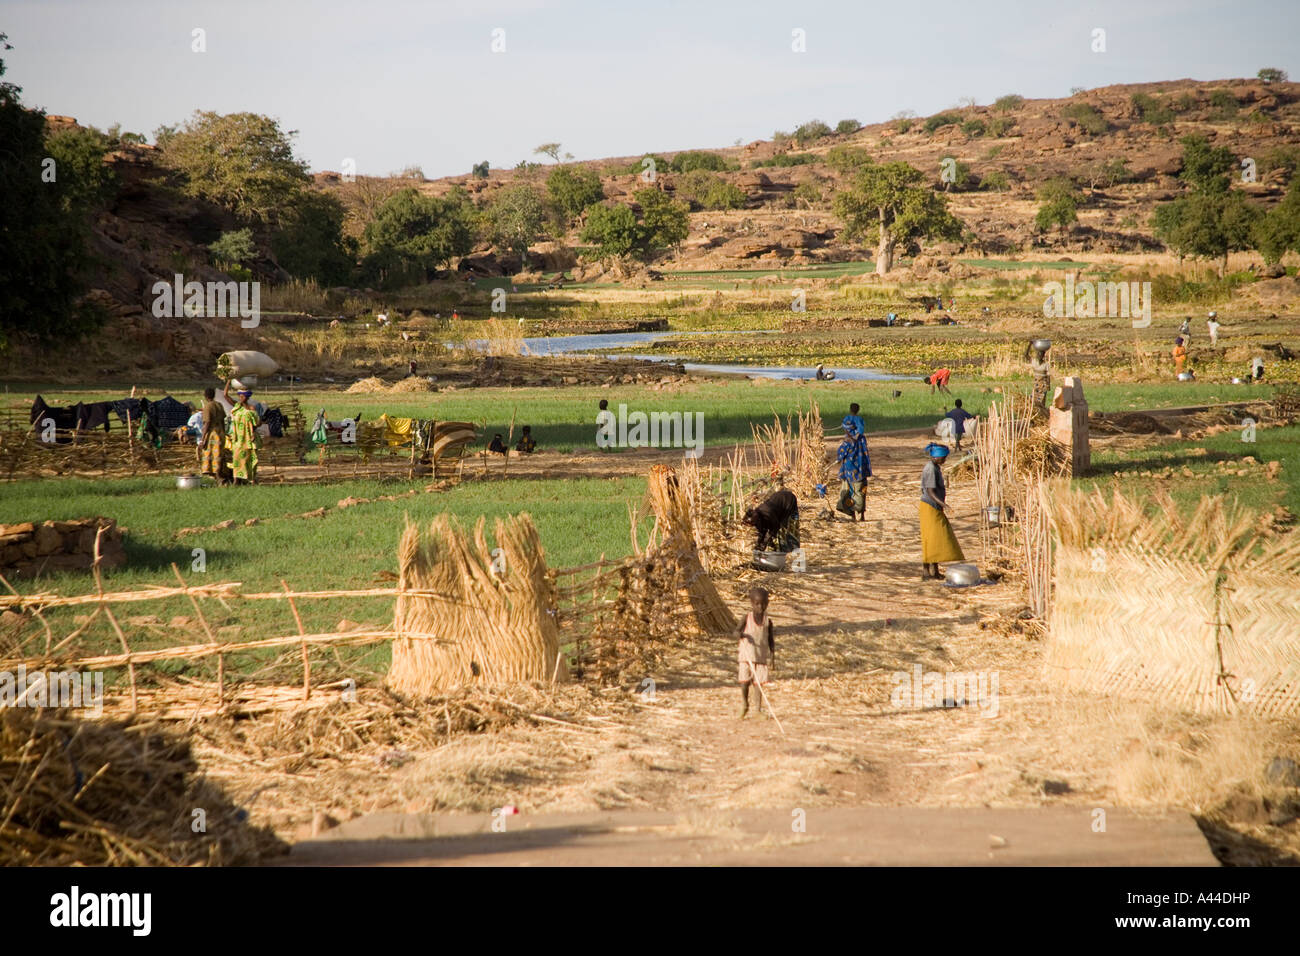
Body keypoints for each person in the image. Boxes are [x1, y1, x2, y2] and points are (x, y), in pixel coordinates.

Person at [919, 442, 964, 580]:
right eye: (943, 458)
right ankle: (926, 572)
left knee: (935, 539)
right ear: (936, 457)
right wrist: (944, 505)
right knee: (930, 539)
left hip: (933, 507)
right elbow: (930, 491)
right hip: (929, 507)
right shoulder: (930, 469)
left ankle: (935, 570)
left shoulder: (935, 467)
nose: (945, 460)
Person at [736, 587, 775, 719]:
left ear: (767, 603)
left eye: (763, 603)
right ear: (751, 603)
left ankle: (757, 709)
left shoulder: (767, 621)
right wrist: (742, 635)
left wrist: (772, 656)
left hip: (761, 656)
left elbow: (771, 639)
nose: (760, 607)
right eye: (757, 604)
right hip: (746, 655)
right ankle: (745, 704)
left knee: (758, 683)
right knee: (745, 682)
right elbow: (735, 632)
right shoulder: (747, 618)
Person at [224, 381, 261, 484]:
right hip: (238, 440)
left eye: (242, 396)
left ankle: (252, 480)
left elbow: (258, 423)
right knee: (237, 460)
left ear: (247, 397)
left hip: (249, 439)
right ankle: (236, 481)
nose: (241, 398)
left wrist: (253, 431)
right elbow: (225, 395)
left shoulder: (251, 409)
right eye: (239, 396)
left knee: (250, 460)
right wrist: (229, 380)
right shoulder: (236, 406)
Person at [836, 415, 872, 522]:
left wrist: (839, 459)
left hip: (850, 472)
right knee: (861, 492)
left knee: (849, 493)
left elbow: (841, 454)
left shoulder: (848, 441)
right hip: (862, 471)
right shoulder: (862, 438)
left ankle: (853, 516)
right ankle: (862, 516)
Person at [744, 487, 800, 552]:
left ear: (755, 519)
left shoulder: (767, 512)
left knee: (788, 528)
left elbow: (775, 527)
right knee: (776, 536)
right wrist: (758, 545)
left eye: (752, 523)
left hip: (788, 500)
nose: (752, 525)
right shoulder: (758, 517)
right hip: (779, 504)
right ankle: (782, 551)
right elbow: (762, 532)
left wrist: (765, 542)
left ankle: (795, 552)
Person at [198, 387, 227, 484]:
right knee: (219, 454)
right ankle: (219, 474)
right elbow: (223, 421)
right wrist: (224, 432)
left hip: (213, 434)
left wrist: (202, 438)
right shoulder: (219, 405)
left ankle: (216, 475)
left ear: (206, 396)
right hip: (221, 433)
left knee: (211, 454)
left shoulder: (208, 406)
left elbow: (207, 423)